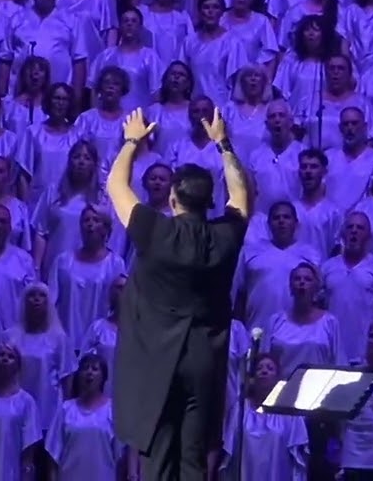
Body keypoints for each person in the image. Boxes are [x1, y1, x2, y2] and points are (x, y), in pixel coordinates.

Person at [107, 106, 251, 480]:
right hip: (203, 359)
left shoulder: (156, 231)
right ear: (210, 202)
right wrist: (223, 144)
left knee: (158, 456)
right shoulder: (224, 237)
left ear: (173, 200)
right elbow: (241, 195)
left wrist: (132, 142)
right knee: (194, 455)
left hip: (157, 360)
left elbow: (115, 187)